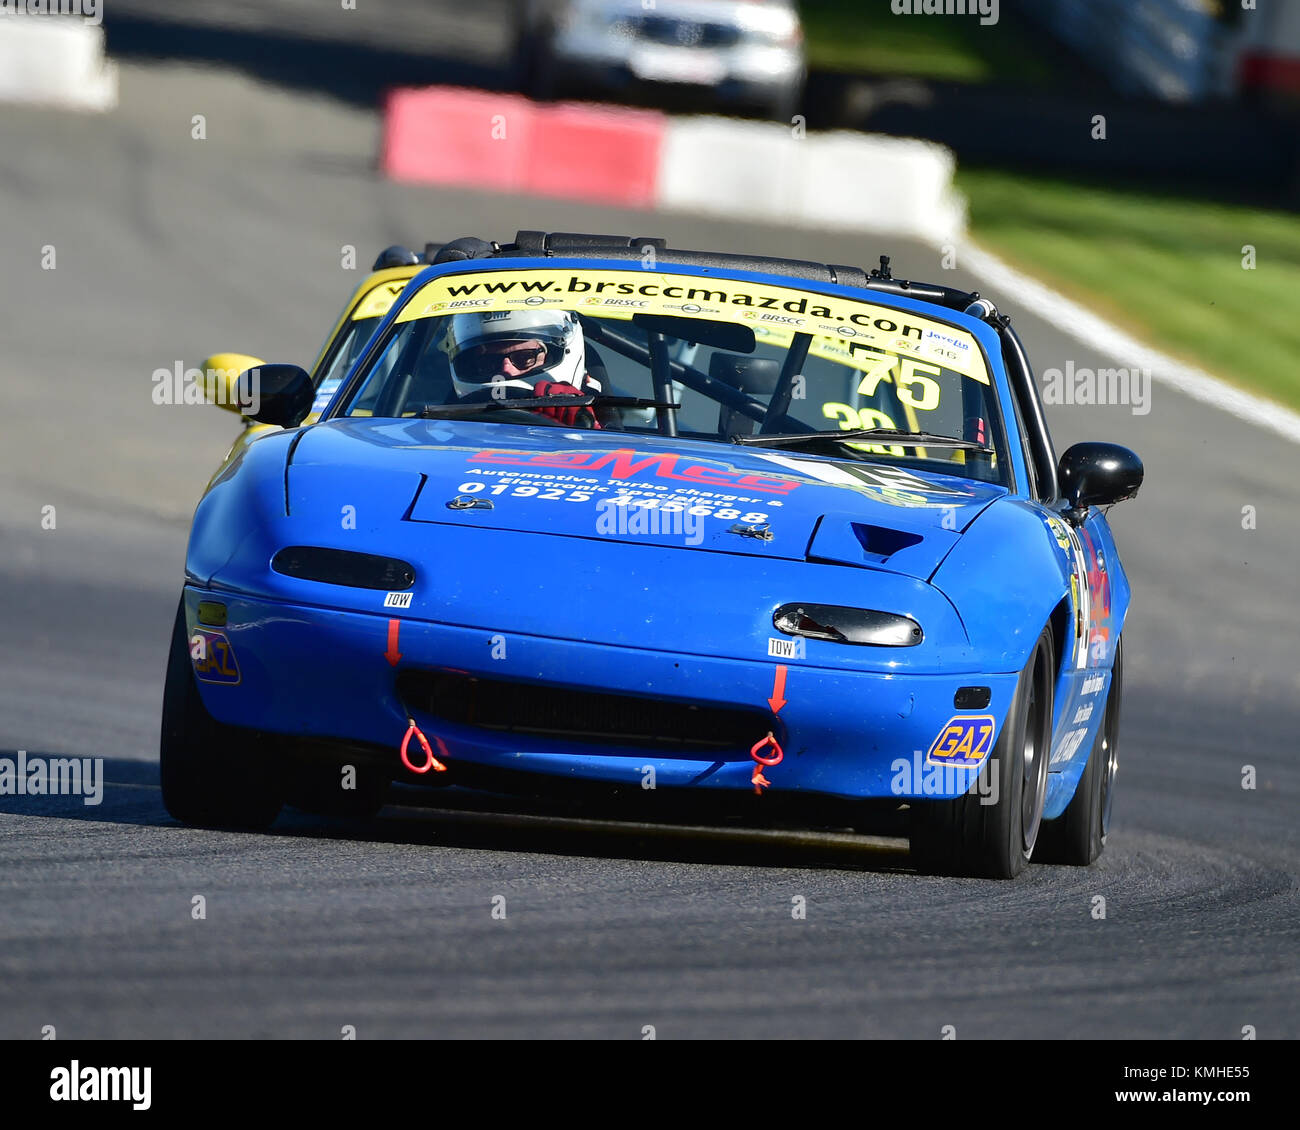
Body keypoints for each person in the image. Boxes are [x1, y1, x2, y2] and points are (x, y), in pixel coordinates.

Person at [439, 309, 608, 428]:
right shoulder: (441, 421)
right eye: (488, 362)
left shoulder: (602, 413)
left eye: (525, 357)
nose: (507, 370)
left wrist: (586, 426)